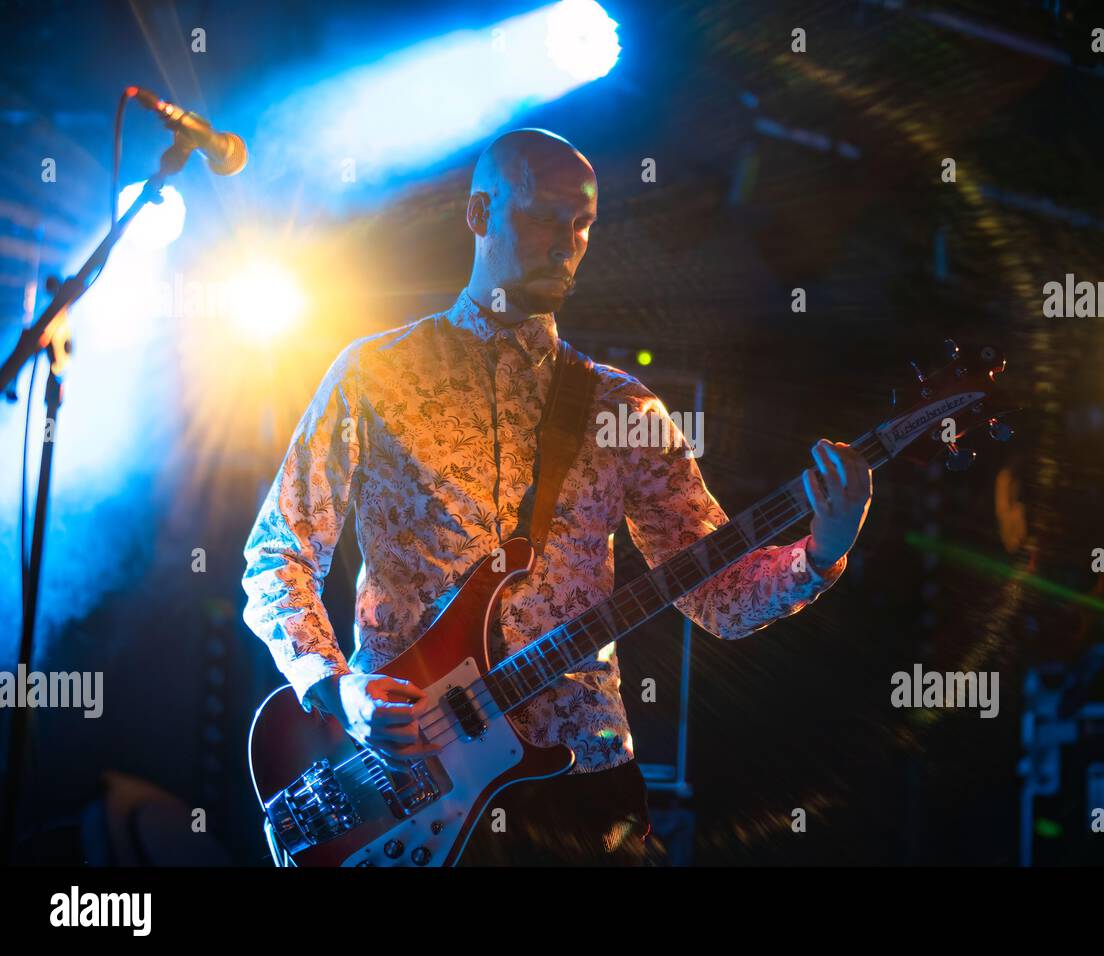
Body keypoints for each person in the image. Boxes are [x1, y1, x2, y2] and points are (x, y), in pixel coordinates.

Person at [241, 128, 873, 865]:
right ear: (479, 213)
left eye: (583, 225)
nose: (566, 243)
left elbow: (715, 594)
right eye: (546, 218)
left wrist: (821, 551)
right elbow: (277, 551)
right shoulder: (375, 374)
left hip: (579, 774)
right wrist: (336, 688)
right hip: (410, 781)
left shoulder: (624, 410)